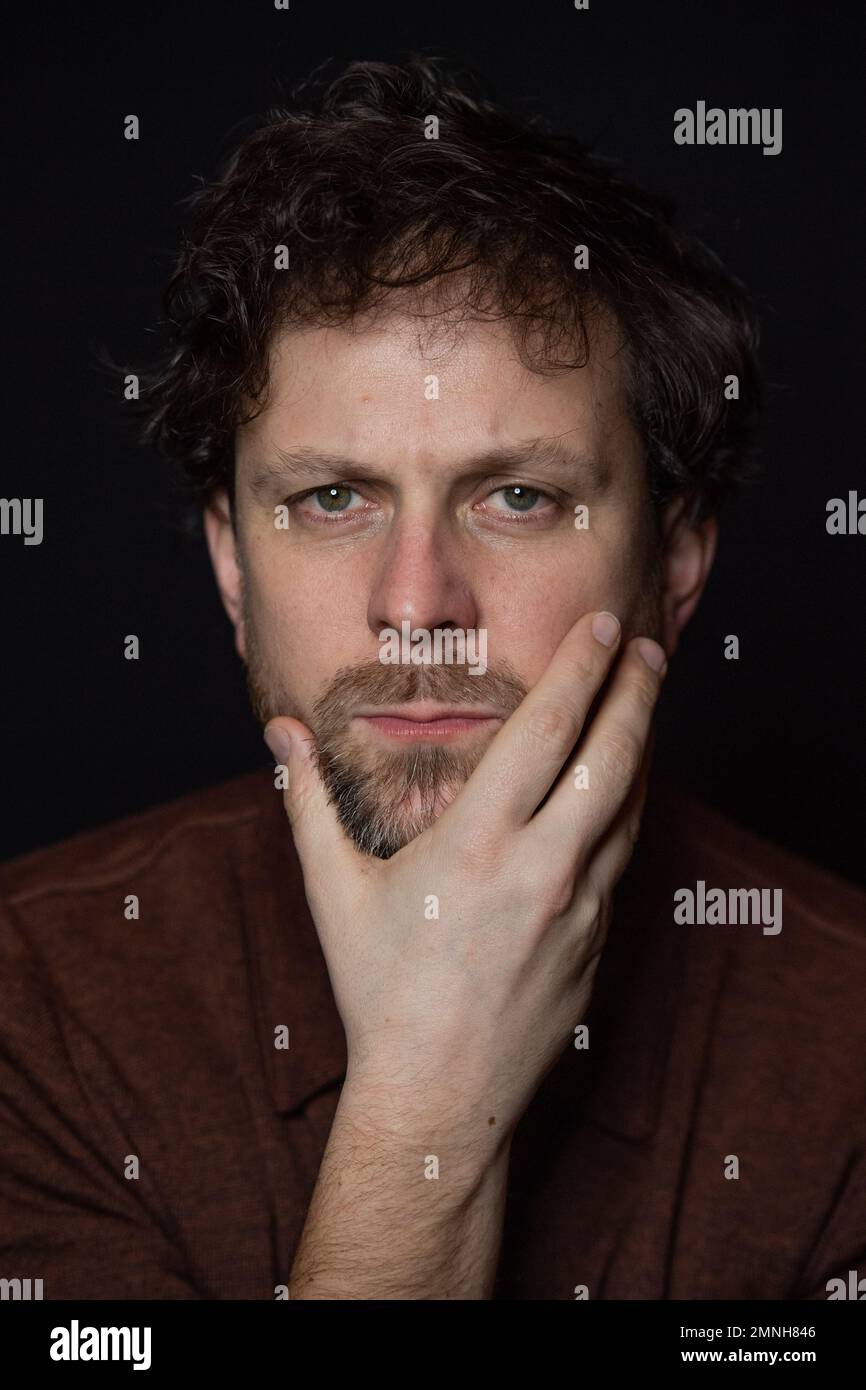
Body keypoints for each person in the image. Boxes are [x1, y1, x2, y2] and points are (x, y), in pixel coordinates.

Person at [1, 57, 863, 1301]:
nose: (416, 605)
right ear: (232, 563)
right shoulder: (30, 1015)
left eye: (518, 496)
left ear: (674, 560)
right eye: (331, 497)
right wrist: (431, 1107)